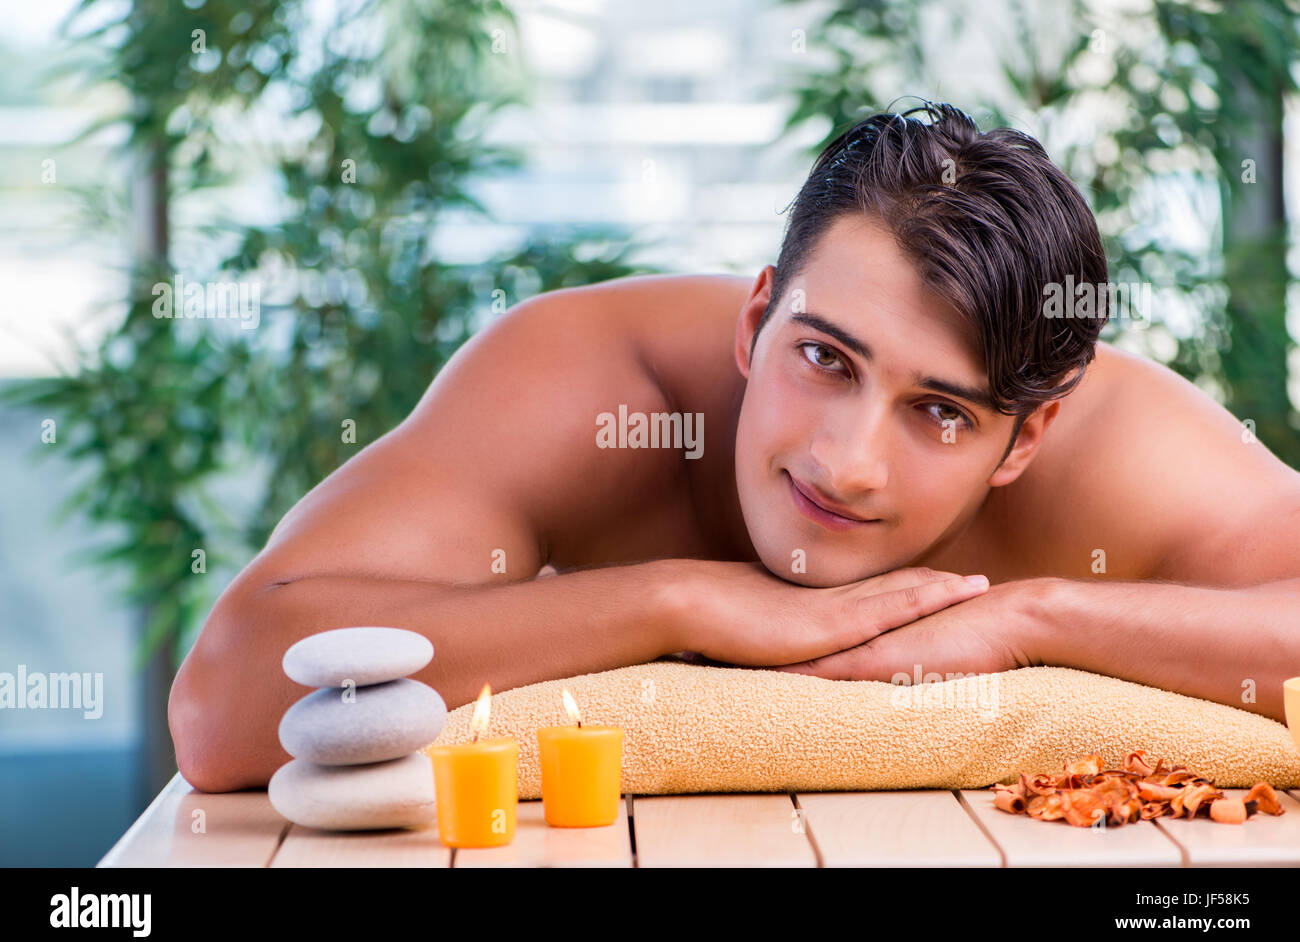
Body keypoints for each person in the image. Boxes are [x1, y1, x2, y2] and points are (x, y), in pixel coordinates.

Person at [170, 101, 1300, 792]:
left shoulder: (1114, 451)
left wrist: (1031, 618)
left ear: (1024, 440)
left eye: (941, 413)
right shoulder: (591, 382)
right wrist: (677, 601)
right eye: (824, 360)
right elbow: (222, 707)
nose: (848, 463)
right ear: (757, 317)